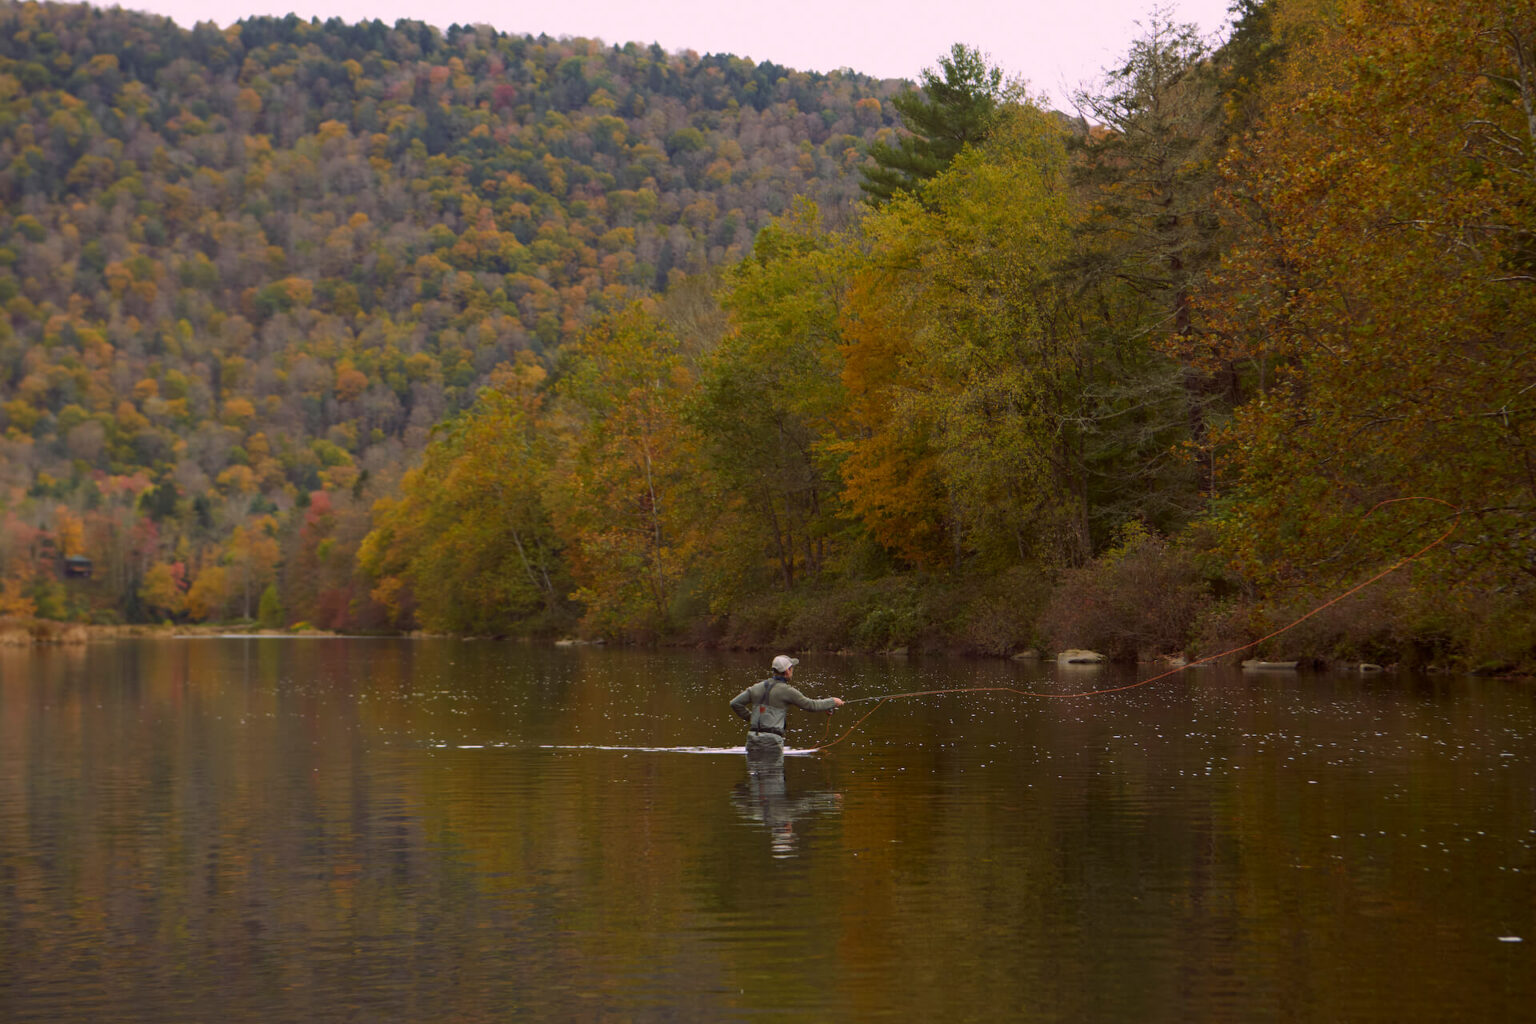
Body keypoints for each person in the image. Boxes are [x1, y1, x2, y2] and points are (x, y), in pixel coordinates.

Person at [729, 655, 844, 754]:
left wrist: (752, 718)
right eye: (792, 668)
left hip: (752, 739)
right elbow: (810, 705)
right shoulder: (788, 691)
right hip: (772, 742)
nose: (792, 671)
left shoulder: (756, 688)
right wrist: (832, 701)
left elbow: (735, 703)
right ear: (788, 671)